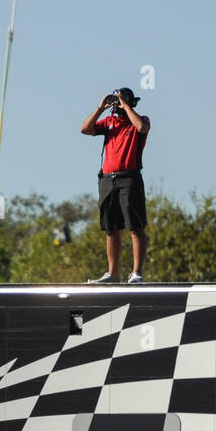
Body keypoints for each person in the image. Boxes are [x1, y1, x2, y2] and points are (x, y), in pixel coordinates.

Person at [80, 86, 150, 283]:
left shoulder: (140, 120)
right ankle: (113, 273)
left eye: (121, 100)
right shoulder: (110, 122)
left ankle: (137, 273)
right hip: (108, 179)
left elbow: (141, 128)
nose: (118, 104)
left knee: (135, 226)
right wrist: (100, 108)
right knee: (111, 228)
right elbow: (85, 129)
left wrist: (127, 106)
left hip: (129, 178)